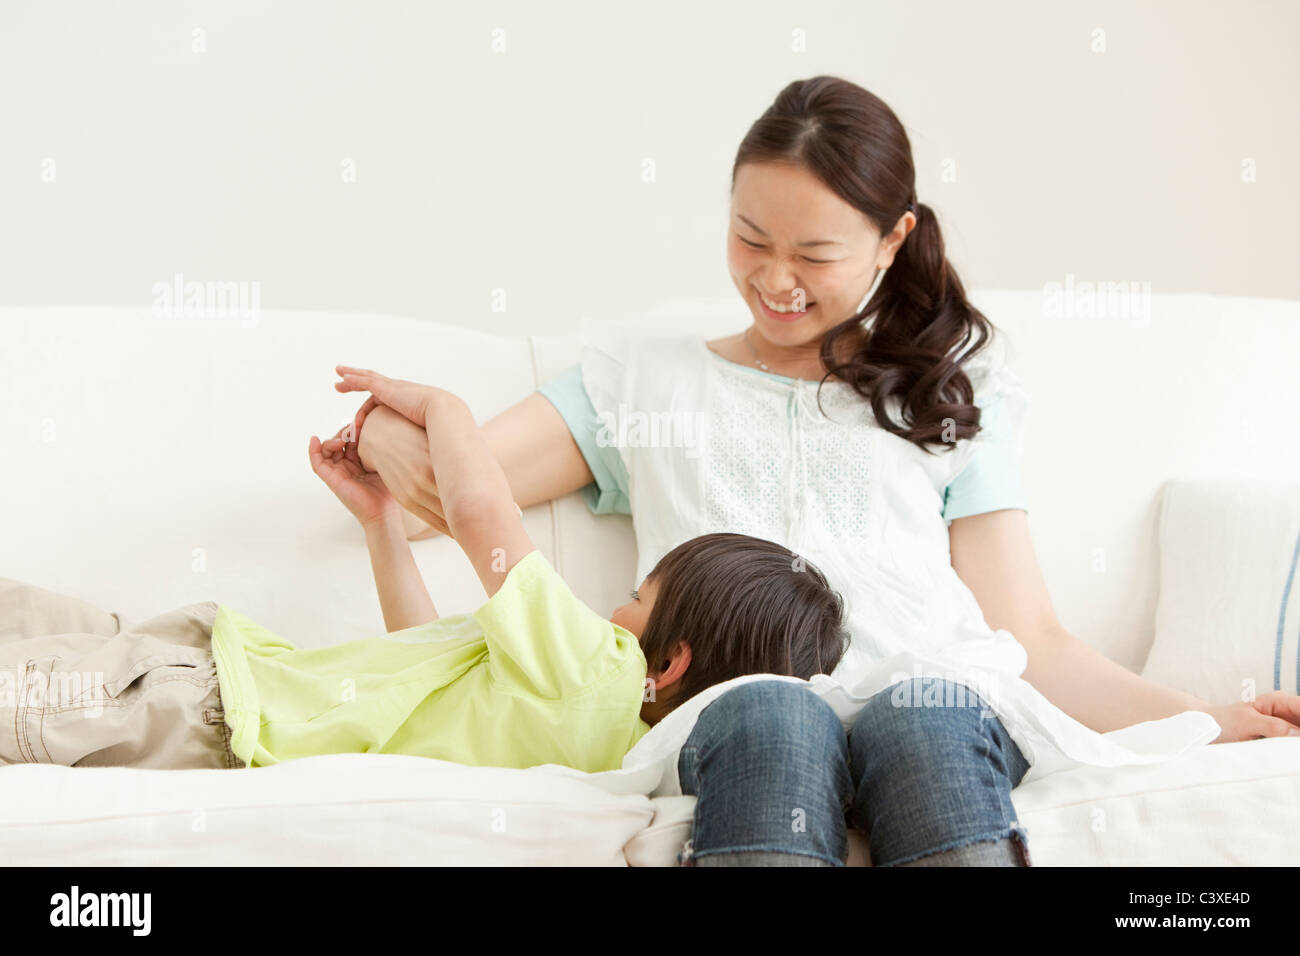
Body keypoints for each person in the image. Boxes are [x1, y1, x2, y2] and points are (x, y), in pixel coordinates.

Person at [341, 75, 1300, 867]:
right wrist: (385, 436)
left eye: (816, 253)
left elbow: (1033, 637)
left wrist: (1205, 720)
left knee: (918, 716)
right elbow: (447, 485)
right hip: (731, 705)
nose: (774, 280)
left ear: (892, 241)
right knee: (774, 711)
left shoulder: (950, 392)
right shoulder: (644, 379)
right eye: (751, 240)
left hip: (934, 692)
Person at [0, 368, 848, 774]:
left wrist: (444, 409)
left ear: (669, 665)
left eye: (638, 600)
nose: (614, 608)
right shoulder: (597, 750)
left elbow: (485, 517)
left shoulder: (599, 673)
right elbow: (421, 650)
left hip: (208, 705)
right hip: (218, 671)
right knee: (35, 623)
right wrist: (383, 526)